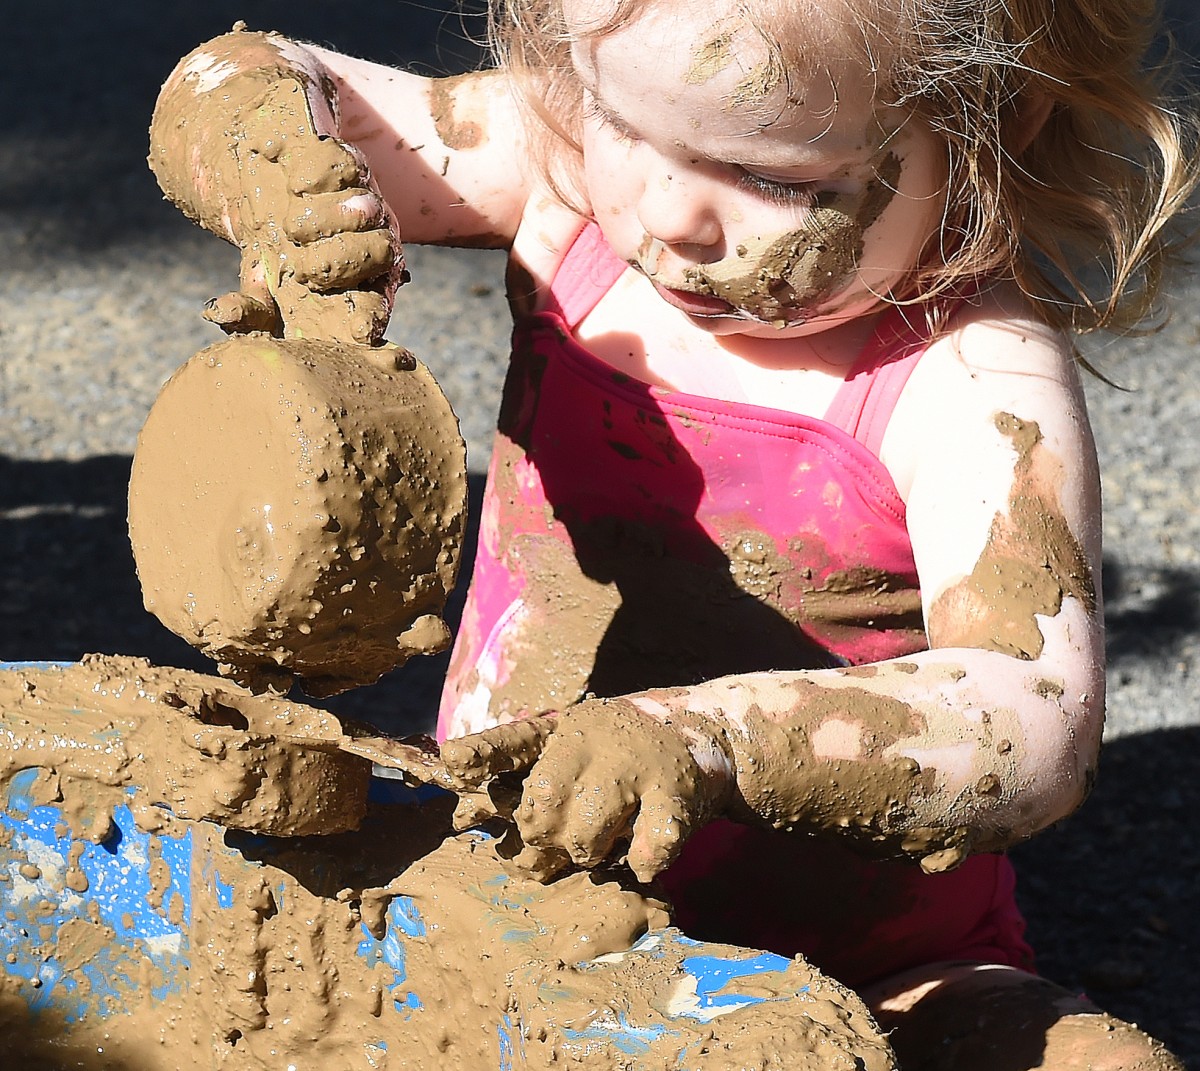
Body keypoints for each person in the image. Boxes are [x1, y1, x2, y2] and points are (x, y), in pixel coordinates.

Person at [149, 0, 1197, 1065]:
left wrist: (711, 741)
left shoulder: (970, 374)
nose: (668, 212)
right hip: (514, 904)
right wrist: (278, 170)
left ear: (992, 121)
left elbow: (1035, 711)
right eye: (619, 120)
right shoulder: (565, 179)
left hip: (875, 957)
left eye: (772, 179)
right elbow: (264, 80)